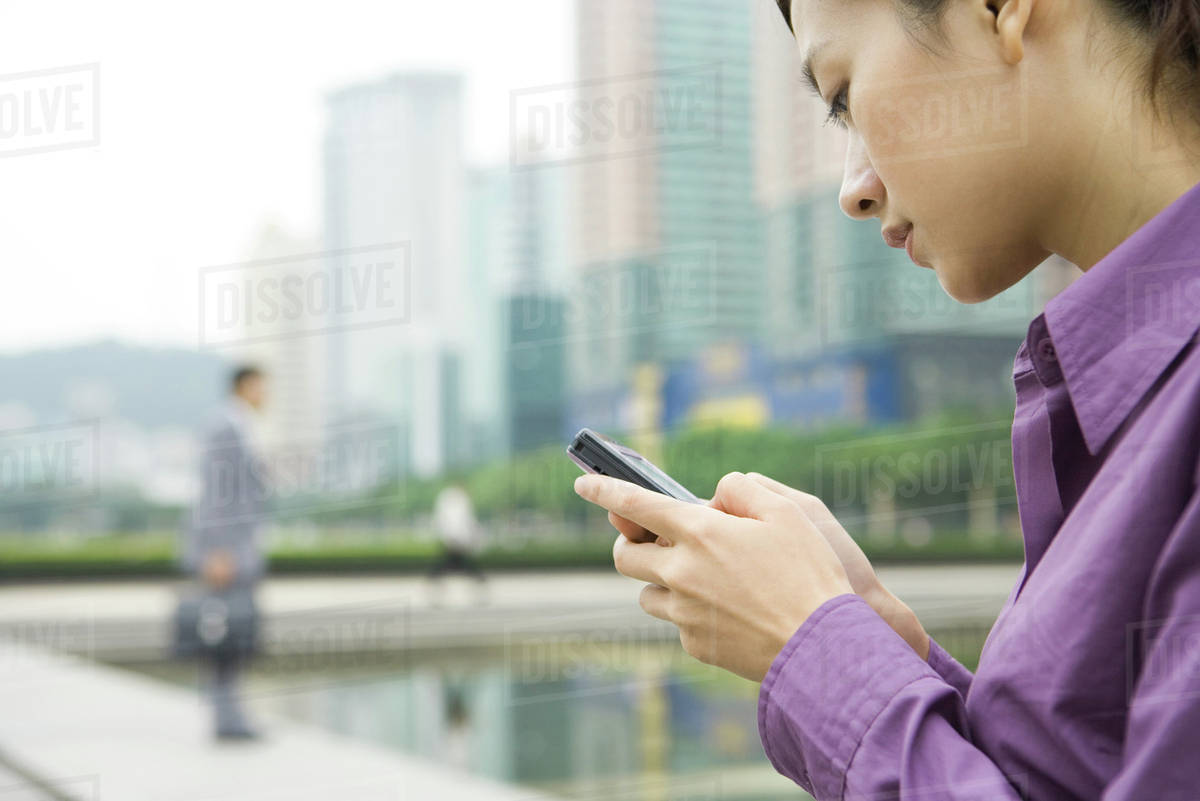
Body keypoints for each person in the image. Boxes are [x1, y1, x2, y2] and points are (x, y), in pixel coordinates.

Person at [573, 1, 1200, 799]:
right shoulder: (1129, 386)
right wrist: (885, 650)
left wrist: (811, 650)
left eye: (841, 97)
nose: (853, 189)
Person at [181, 365, 270, 741]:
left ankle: (231, 714)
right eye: (262, 387)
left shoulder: (239, 426)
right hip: (227, 553)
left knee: (233, 633)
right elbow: (217, 493)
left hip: (238, 550)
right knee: (223, 633)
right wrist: (217, 551)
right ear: (245, 386)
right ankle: (225, 717)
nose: (267, 395)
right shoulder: (225, 427)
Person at [427, 482, 486, 603]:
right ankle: (479, 583)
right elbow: (461, 522)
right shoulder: (457, 501)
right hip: (457, 540)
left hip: (454, 539)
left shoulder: (449, 499)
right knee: (460, 565)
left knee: (453, 565)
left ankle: (434, 582)